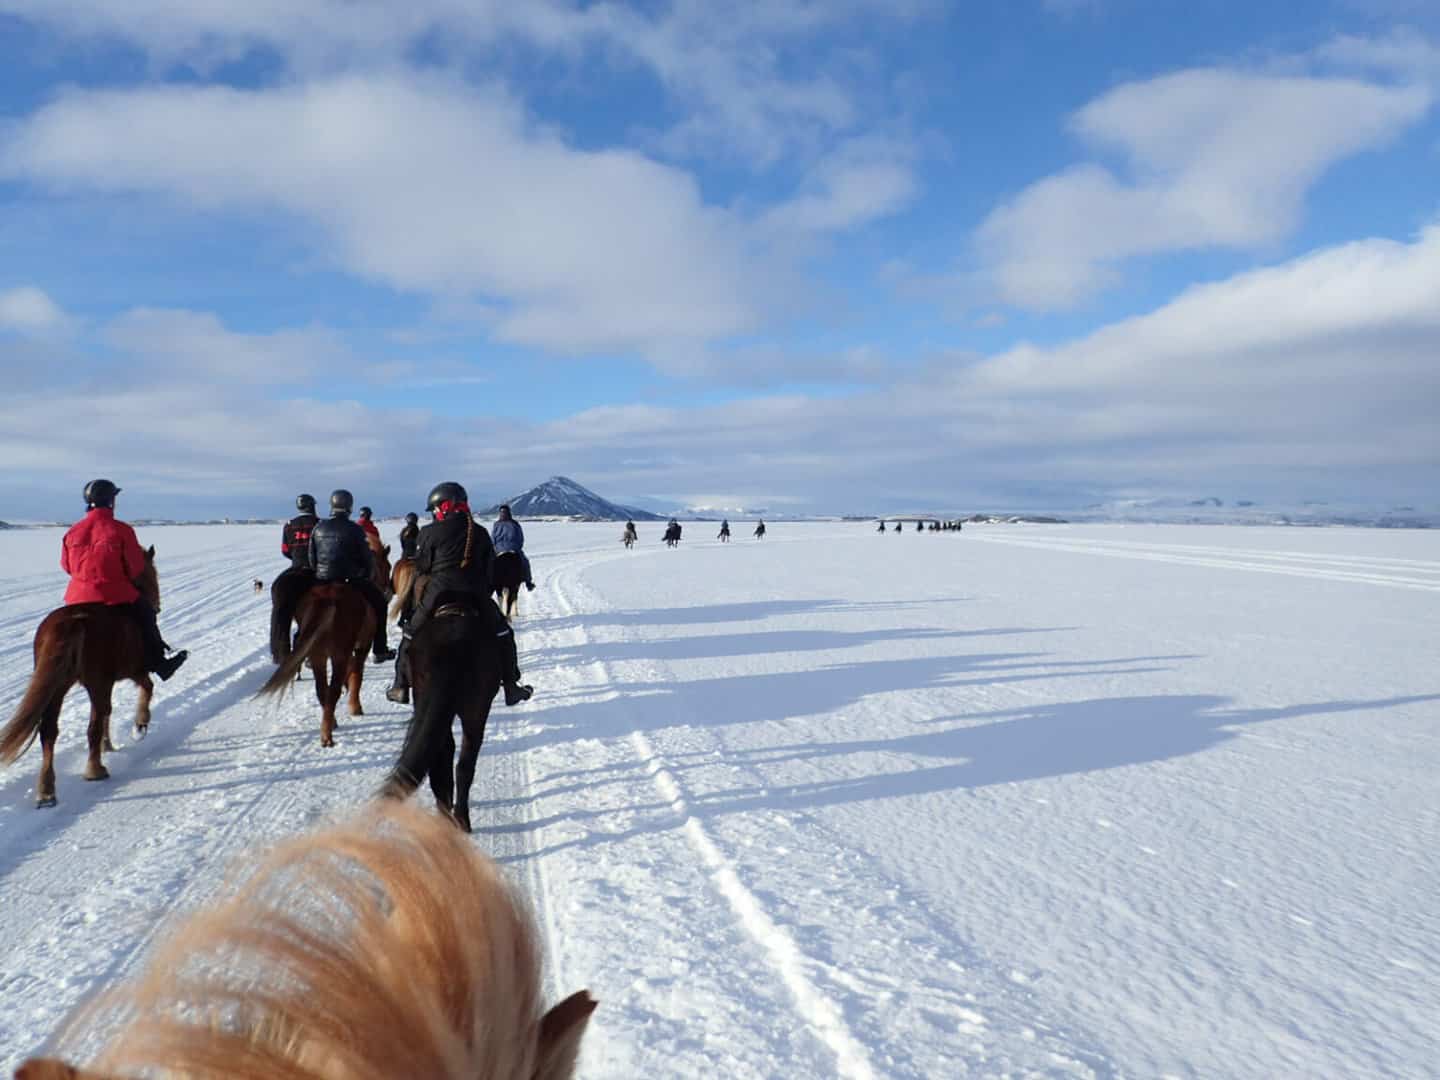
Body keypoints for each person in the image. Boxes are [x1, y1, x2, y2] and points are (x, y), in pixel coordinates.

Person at [386, 482, 532, 708]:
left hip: (437, 594)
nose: (435, 513)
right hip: (475, 594)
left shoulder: (429, 532)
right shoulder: (480, 532)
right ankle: (511, 686)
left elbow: (423, 567)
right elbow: (490, 571)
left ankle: (400, 685)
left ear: (445, 506)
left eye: (436, 508)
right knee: (503, 632)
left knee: (410, 632)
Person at [61, 479, 188, 681]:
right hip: (114, 594)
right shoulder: (121, 530)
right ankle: (160, 663)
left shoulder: (72, 531)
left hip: (76, 597)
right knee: (146, 613)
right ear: (110, 501)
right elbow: (135, 567)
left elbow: (66, 566)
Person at [309, 490, 395, 663]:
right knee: (380, 604)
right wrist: (366, 576)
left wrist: (321, 576)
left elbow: (312, 557)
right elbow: (366, 559)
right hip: (351, 580)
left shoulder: (318, 528)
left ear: (332, 505)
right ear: (349, 506)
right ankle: (379, 649)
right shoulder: (355, 529)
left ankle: (310, 651)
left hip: (324, 579)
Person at [270, 493, 320, 663]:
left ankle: (280, 651)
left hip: (295, 567)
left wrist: (297, 557)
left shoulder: (289, 525)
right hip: (315, 570)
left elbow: (285, 550)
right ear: (312, 506)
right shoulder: (319, 524)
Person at [490, 504, 535, 590]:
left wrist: (494, 548)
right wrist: (517, 548)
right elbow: (520, 539)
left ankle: (488, 582)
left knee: (489, 563)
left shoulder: (496, 524)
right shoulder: (515, 524)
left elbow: (493, 538)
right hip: (513, 548)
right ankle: (528, 582)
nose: (503, 514)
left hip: (498, 549)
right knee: (525, 562)